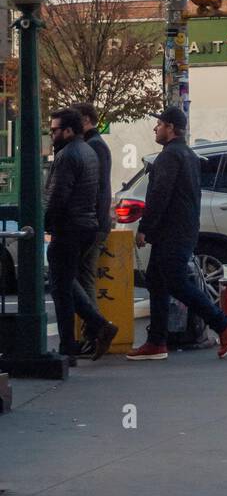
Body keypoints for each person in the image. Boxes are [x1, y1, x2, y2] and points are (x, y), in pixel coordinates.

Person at [127, 107, 227, 363]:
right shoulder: (188, 155)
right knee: (157, 283)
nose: (155, 129)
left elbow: (159, 195)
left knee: (177, 283)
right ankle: (156, 341)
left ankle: (224, 324)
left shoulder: (170, 156)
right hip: (183, 228)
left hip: (171, 232)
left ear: (170, 127)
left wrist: (145, 228)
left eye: (159, 124)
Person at [45, 108, 117, 364]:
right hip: (85, 225)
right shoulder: (87, 151)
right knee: (65, 284)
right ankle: (82, 337)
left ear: (68, 130)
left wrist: (46, 222)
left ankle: (77, 340)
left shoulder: (67, 155)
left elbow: (58, 196)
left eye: (55, 130)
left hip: (69, 227)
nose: (51, 134)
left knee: (61, 287)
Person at [74, 102, 113, 355]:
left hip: (91, 223)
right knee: (83, 276)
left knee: (79, 277)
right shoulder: (98, 145)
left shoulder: (92, 147)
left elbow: (92, 188)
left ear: (86, 120)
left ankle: (97, 329)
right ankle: (95, 331)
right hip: (97, 222)